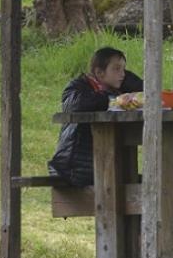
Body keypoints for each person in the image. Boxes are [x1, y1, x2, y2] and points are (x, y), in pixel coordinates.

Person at [48, 47, 142, 187]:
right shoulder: (78, 87)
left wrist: (129, 85)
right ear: (99, 72)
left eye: (124, 69)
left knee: (137, 180)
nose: (122, 74)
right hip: (74, 168)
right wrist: (111, 100)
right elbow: (74, 105)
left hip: (107, 165)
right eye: (116, 69)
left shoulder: (117, 88)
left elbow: (147, 90)